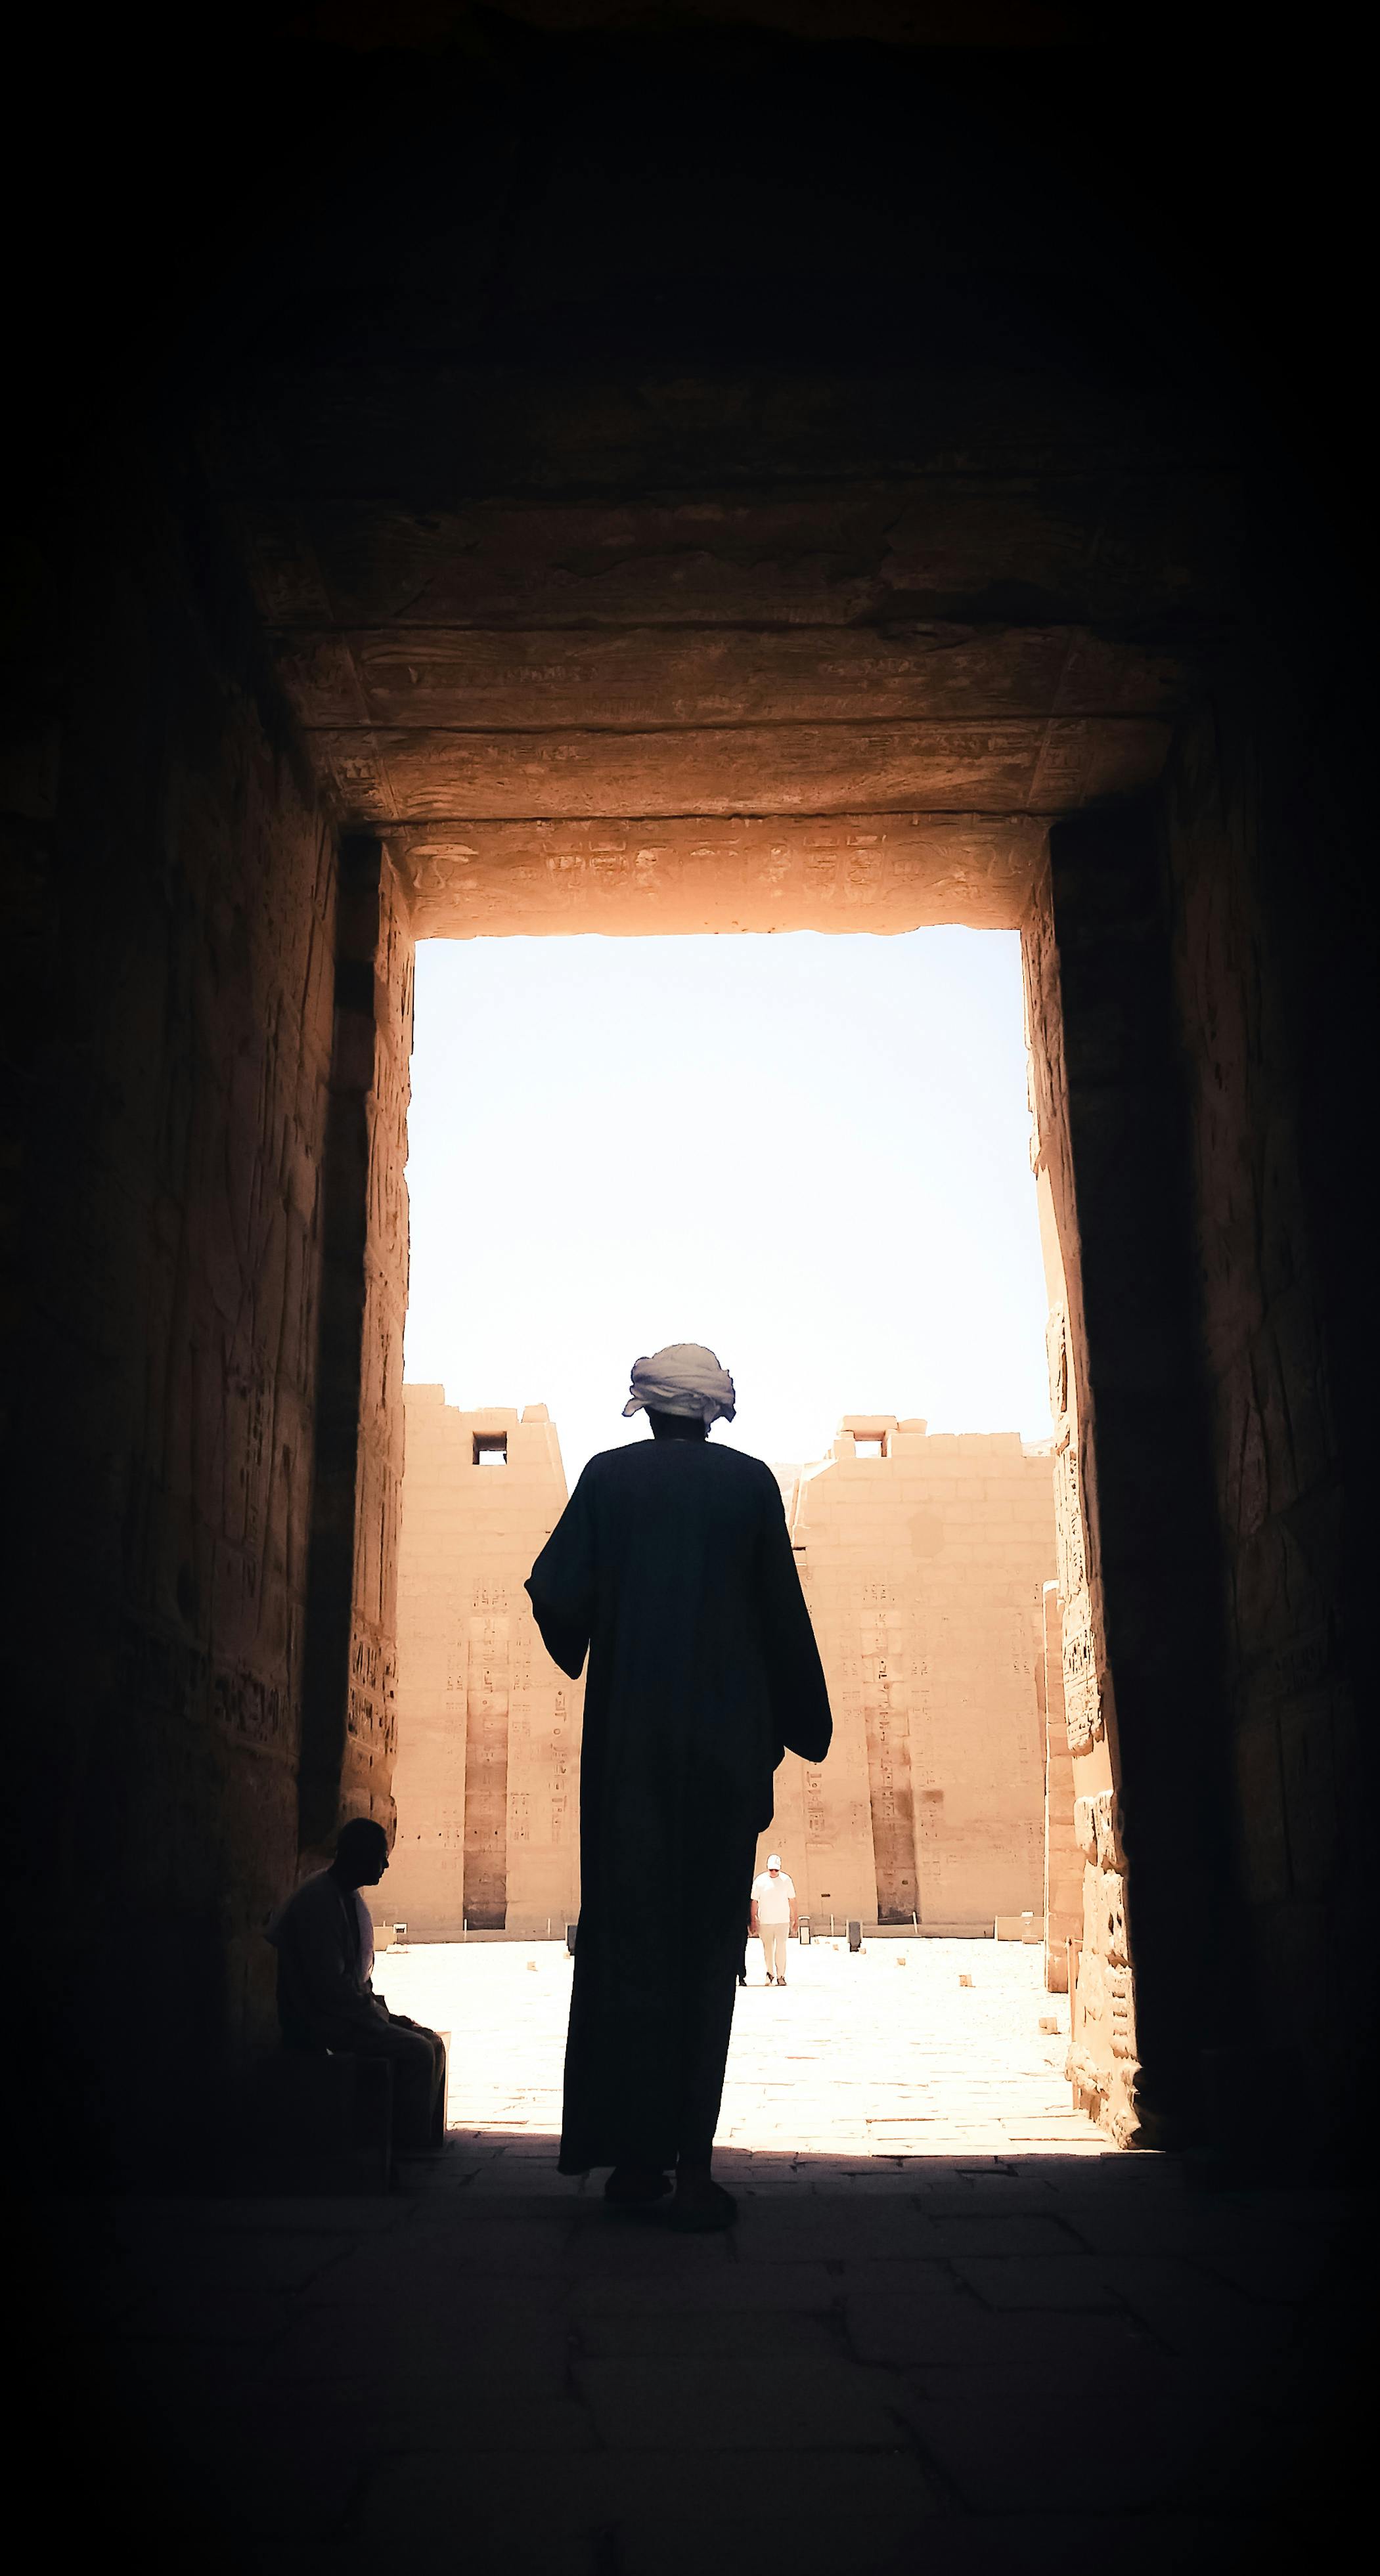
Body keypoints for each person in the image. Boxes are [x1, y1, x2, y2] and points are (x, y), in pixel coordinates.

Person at [527, 1342, 832, 2231]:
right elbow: (782, 1616)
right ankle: (692, 2169)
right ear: (712, 1411)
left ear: (648, 1406)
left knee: (627, 1944)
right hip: (722, 1760)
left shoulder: (608, 1479)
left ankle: (630, 2159)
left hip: (628, 1757)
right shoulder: (746, 1487)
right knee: (705, 1956)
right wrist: (793, 1725)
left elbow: (557, 1599)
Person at [265, 1817, 447, 2150]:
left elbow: (354, 1980)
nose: (386, 1865)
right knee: (418, 2050)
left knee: (432, 2042)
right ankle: (404, 2146)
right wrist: (379, 2019)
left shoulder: (344, 1897)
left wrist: (385, 2015)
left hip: (344, 2012)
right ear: (359, 1856)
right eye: (380, 1856)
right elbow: (330, 1990)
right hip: (318, 2021)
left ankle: (416, 2139)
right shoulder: (319, 1903)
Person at [750, 1853, 797, 1985]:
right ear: (767, 1868)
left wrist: (795, 1918)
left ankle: (781, 1975)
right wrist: (754, 1919)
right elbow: (754, 1901)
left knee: (781, 1947)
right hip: (765, 1921)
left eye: (776, 1870)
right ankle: (770, 1973)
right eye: (771, 1870)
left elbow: (792, 1899)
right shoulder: (760, 1881)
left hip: (782, 1920)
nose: (774, 1872)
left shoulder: (786, 1880)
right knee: (768, 1949)